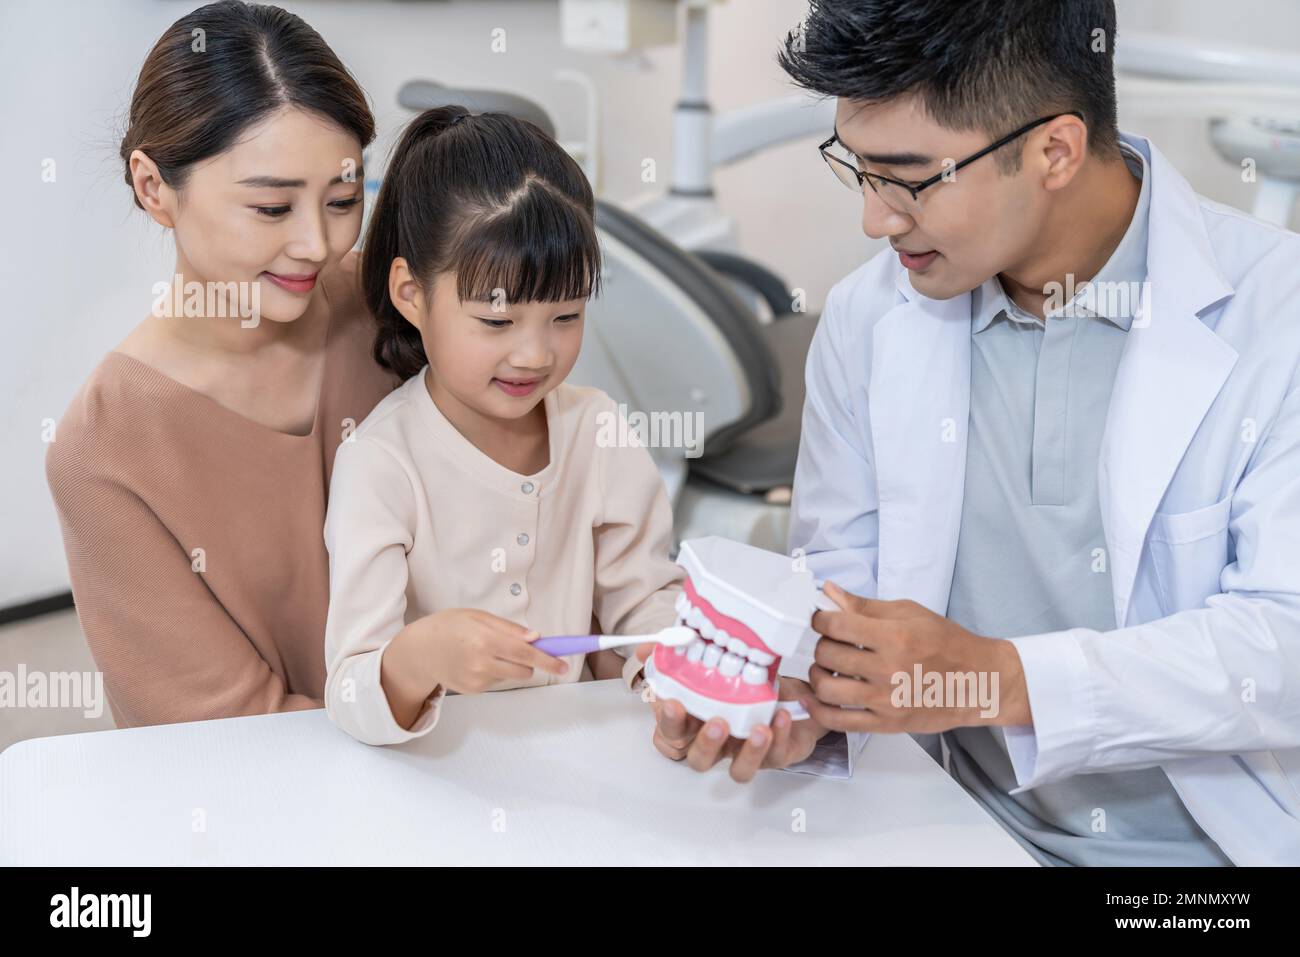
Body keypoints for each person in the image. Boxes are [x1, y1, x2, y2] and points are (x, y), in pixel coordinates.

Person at [650, 0, 1300, 866]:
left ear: (1055, 151)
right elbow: (838, 596)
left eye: (910, 179)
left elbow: (1281, 647)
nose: (876, 221)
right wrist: (796, 702)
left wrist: (995, 675)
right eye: (859, 170)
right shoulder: (868, 316)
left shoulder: (1275, 318)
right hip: (952, 826)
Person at [45, 1, 399, 727]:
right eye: (272, 208)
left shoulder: (391, 307)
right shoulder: (104, 449)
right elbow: (227, 731)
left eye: (343, 198)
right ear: (153, 188)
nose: (315, 243)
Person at [322, 108, 687, 745]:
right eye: (497, 322)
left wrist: (668, 669)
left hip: (576, 762)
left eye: (566, 316)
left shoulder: (595, 428)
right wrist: (420, 658)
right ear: (412, 295)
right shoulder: (381, 463)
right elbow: (350, 687)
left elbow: (646, 598)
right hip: (436, 780)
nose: (534, 355)